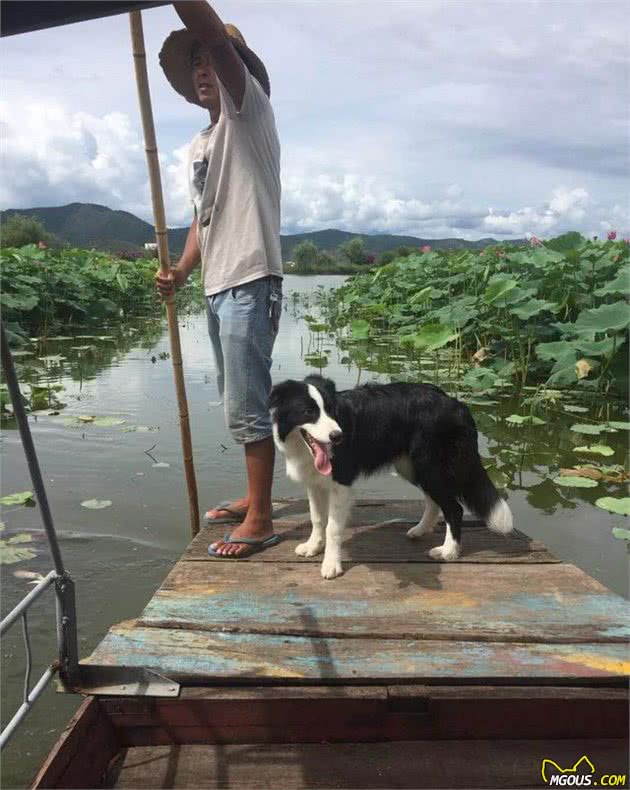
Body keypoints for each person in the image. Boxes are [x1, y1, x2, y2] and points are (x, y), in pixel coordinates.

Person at [156, 0, 282, 558]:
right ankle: (257, 498)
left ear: (235, 69)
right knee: (239, 401)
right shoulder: (201, 143)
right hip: (217, 281)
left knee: (249, 403)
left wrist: (202, 27)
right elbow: (201, 218)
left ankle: (261, 518)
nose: (203, 68)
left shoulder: (246, 110)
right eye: (196, 63)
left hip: (250, 276)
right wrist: (182, 271)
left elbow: (214, 33)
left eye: (212, 58)